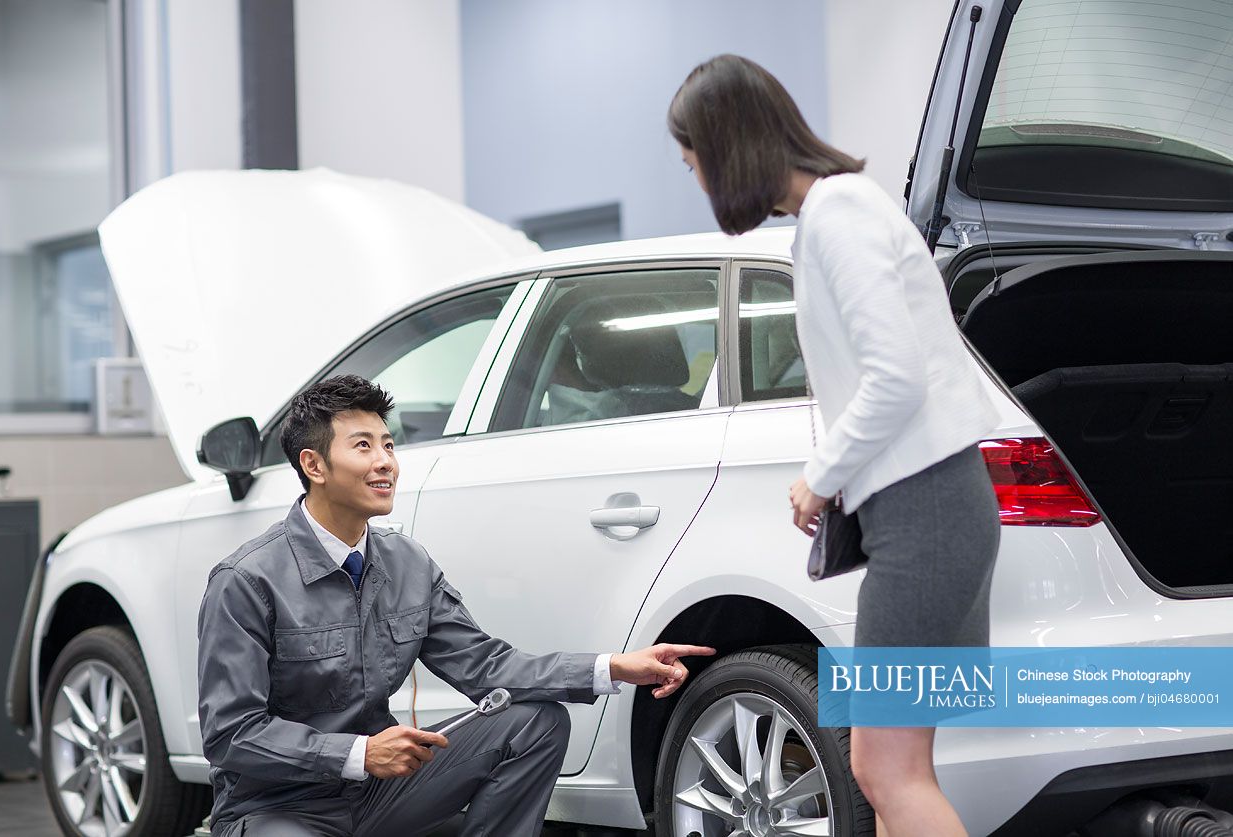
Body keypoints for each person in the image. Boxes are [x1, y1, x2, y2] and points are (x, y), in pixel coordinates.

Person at [668, 55, 1001, 837]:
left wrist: (818, 478)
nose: (697, 180)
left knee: (883, 768)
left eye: (694, 163)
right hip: (934, 510)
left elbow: (895, 377)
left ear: (728, 147)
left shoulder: (838, 214)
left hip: (925, 514)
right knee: (895, 770)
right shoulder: (839, 210)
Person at [197, 374, 714, 836]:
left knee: (535, 723)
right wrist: (360, 753)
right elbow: (231, 735)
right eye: (363, 447)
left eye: (389, 445)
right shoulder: (246, 580)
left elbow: (486, 667)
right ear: (314, 465)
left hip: (380, 794)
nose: (385, 463)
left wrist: (615, 667)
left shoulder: (408, 564)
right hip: (276, 807)